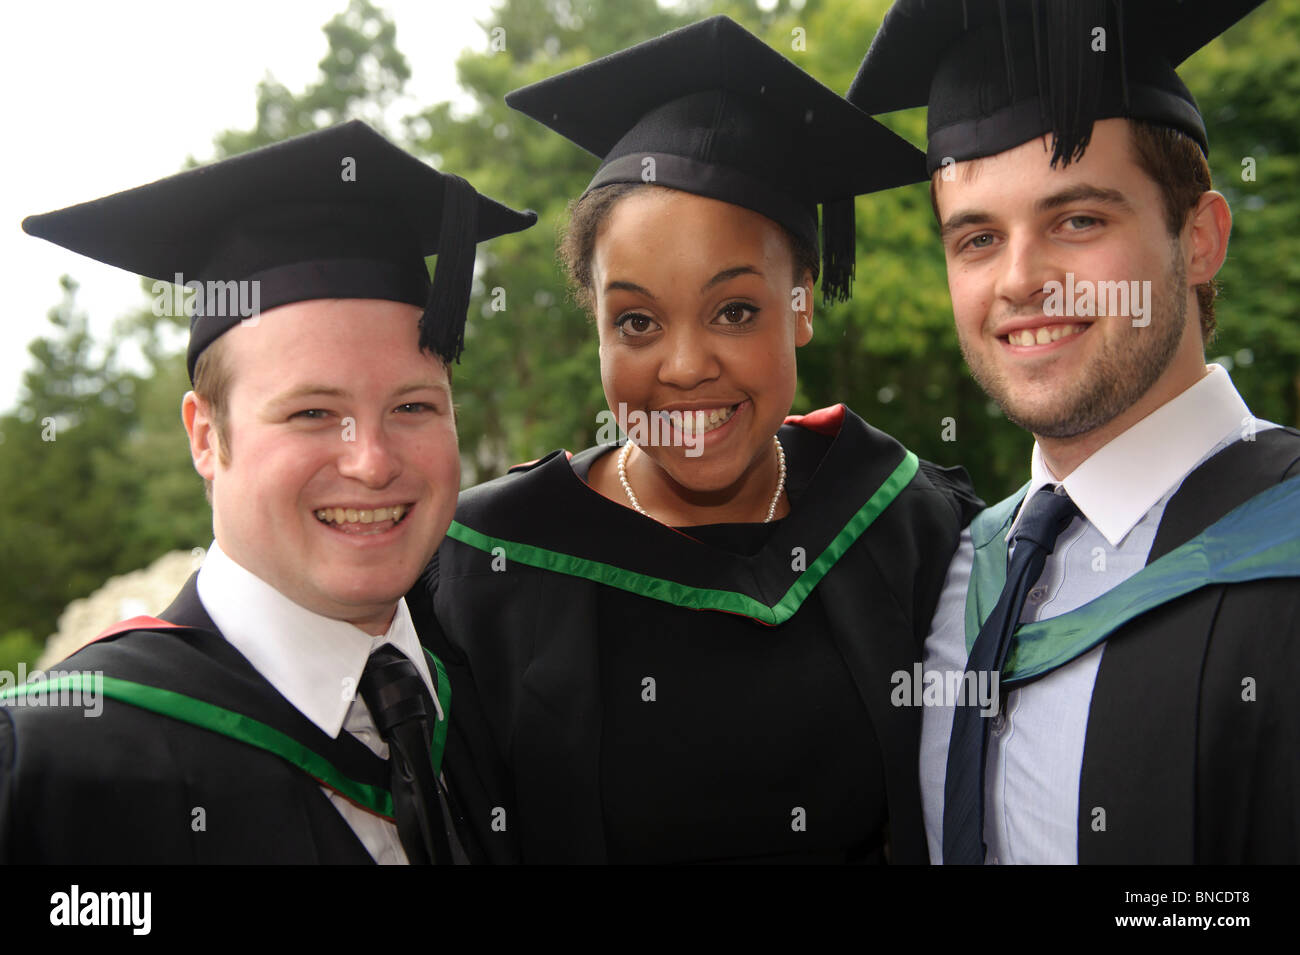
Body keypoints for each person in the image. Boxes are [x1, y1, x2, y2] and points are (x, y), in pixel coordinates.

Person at [410, 16, 981, 864]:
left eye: (736, 310)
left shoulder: (908, 523)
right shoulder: (486, 570)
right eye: (635, 319)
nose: (682, 367)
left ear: (802, 304)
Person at [0, 120, 535, 863]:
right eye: (312, 412)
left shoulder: (499, 702)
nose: (372, 462)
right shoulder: (55, 766)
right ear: (204, 436)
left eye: (414, 405)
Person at [849, 0, 1299, 863]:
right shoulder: (958, 569)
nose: (1021, 280)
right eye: (977, 238)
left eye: (1078, 220)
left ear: (1199, 239)